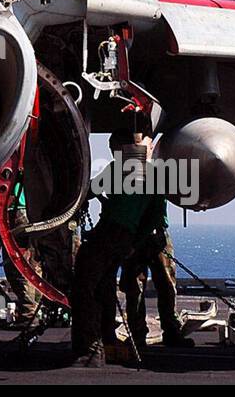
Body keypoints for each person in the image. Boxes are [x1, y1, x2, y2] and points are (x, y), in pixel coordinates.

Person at [71, 131, 165, 368]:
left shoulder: (118, 167)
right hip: (125, 237)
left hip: (109, 232)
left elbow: (87, 192)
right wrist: (133, 243)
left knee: (85, 285)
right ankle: (106, 339)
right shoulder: (157, 175)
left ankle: (91, 349)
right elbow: (155, 217)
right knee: (104, 287)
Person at [118, 206, 194, 347]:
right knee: (137, 288)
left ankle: (165, 333)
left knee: (166, 285)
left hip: (149, 230)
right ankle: (139, 334)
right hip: (138, 231)